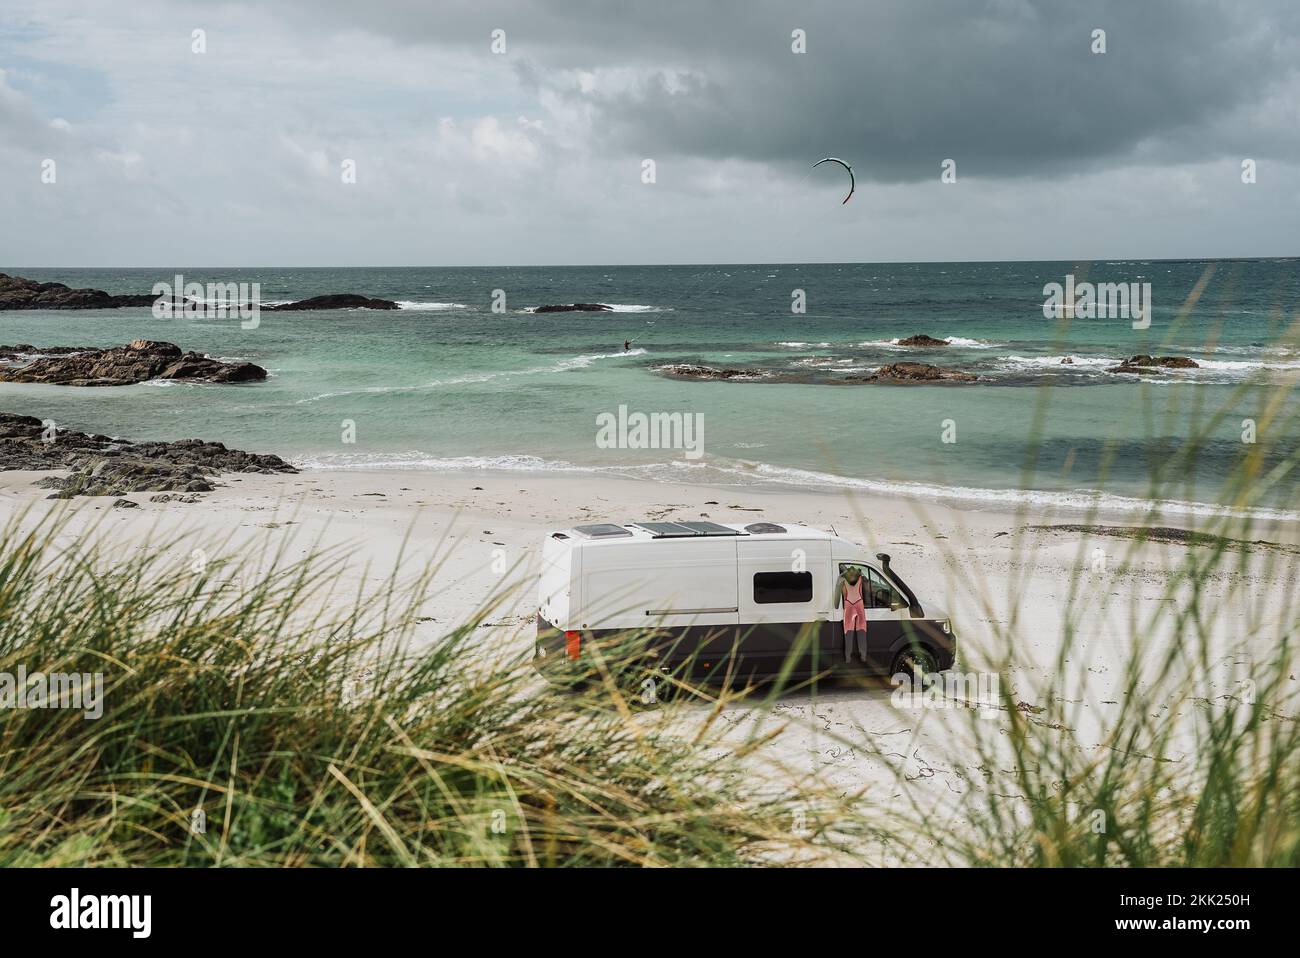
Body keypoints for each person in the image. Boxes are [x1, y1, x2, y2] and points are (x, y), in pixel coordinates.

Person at [835, 565, 869, 663]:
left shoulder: (842, 578)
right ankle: (863, 656)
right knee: (861, 630)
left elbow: (838, 590)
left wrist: (836, 604)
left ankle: (848, 658)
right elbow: (866, 585)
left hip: (848, 605)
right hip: (859, 604)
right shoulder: (861, 576)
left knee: (848, 632)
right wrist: (866, 602)